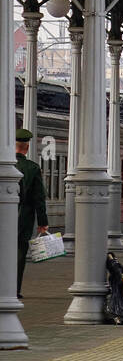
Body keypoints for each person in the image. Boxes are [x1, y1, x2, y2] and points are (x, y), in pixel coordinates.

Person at [15, 128, 49, 299]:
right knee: (20, 254)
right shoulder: (32, 168)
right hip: (23, 219)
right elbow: (39, 198)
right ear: (27, 147)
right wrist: (43, 222)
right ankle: (14, 290)